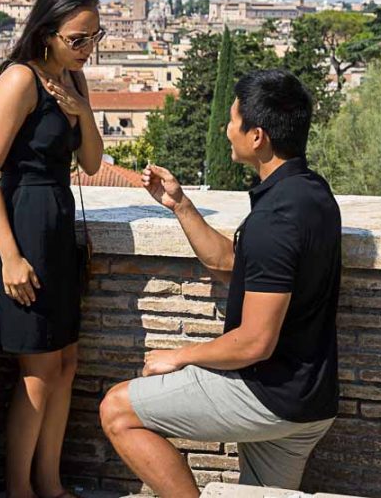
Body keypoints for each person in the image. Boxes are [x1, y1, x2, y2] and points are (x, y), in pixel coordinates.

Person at [99, 69, 342, 496]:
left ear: (257, 136)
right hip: (310, 400)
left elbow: (254, 343)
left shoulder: (275, 220)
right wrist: (180, 205)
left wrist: (181, 356)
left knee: (117, 409)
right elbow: (233, 263)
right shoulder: (312, 193)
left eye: (232, 121)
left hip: (269, 395)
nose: (225, 129)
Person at [0, 0, 104, 498]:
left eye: (95, 36)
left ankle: (50, 484)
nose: (87, 48)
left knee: (66, 363)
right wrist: (9, 256)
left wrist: (82, 111)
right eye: (78, 39)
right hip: (23, 228)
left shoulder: (74, 81)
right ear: (46, 33)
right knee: (39, 372)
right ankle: (19, 491)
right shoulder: (18, 81)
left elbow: (90, 163)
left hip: (57, 228)